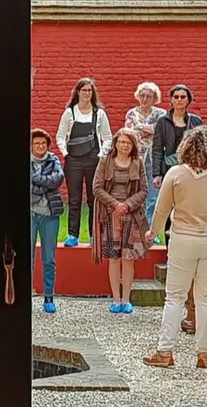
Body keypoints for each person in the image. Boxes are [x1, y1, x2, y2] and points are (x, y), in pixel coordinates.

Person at [143, 125, 207, 370]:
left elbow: (162, 209)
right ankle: (203, 353)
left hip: (183, 239)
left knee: (175, 297)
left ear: (186, 146)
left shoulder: (175, 174)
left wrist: (153, 231)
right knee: (205, 297)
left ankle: (165, 351)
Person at [93, 128, 150, 313]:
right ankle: (115, 300)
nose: (124, 145)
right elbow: (97, 187)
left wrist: (127, 204)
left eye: (128, 142)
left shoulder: (138, 163)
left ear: (133, 145)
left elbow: (143, 190)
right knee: (114, 258)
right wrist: (115, 204)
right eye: (121, 142)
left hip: (131, 215)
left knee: (128, 259)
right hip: (110, 215)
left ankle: (126, 299)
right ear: (115, 143)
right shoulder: (105, 161)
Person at [56, 78, 110, 246]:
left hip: (93, 159)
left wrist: (101, 155)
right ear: (77, 92)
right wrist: (65, 153)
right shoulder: (69, 113)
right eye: (84, 90)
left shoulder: (99, 113)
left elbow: (108, 137)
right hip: (73, 161)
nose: (87, 93)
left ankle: (95, 236)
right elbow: (60, 136)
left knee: (94, 199)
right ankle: (73, 235)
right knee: (74, 199)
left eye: (90, 91)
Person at [150, 84, 203, 240]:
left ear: (188, 100)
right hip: (169, 169)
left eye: (183, 97)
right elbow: (157, 148)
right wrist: (156, 173)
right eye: (176, 97)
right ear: (171, 100)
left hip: (192, 170)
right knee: (169, 207)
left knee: (190, 206)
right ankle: (170, 249)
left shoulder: (196, 121)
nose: (179, 100)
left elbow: (202, 146)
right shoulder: (163, 121)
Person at [28, 129, 65, 314]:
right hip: (30, 213)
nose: (40, 146)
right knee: (28, 257)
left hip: (50, 214)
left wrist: (37, 182)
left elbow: (57, 180)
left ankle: (48, 296)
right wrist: (45, 184)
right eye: (36, 143)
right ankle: (25, 294)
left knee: (49, 258)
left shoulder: (54, 160)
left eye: (43, 143)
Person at [123, 81, 164, 222]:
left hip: (155, 158)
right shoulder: (131, 114)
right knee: (136, 193)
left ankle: (149, 227)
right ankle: (136, 227)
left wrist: (140, 128)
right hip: (136, 158)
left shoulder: (161, 114)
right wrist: (148, 130)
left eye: (149, 96)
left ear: (154, 98)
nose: (145, 99)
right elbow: (128, 134)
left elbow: (160, 133)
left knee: (154, 195)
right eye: (142, 95)